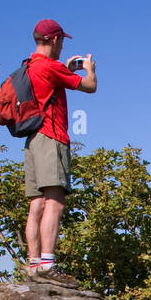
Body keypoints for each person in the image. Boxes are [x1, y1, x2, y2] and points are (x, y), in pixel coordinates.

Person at [23, 18, 97, 282]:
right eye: (62, 40)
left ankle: (33, 266)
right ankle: (48, 264)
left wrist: (64, 69)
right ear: (54, 39)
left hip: (32, 141)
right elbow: (90, 87)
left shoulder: (30, 66)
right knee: (54, 202)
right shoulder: (50, 66)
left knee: (36, 204)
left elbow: (47, 87)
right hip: (52, 138)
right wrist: (89, 69)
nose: (63, 45)